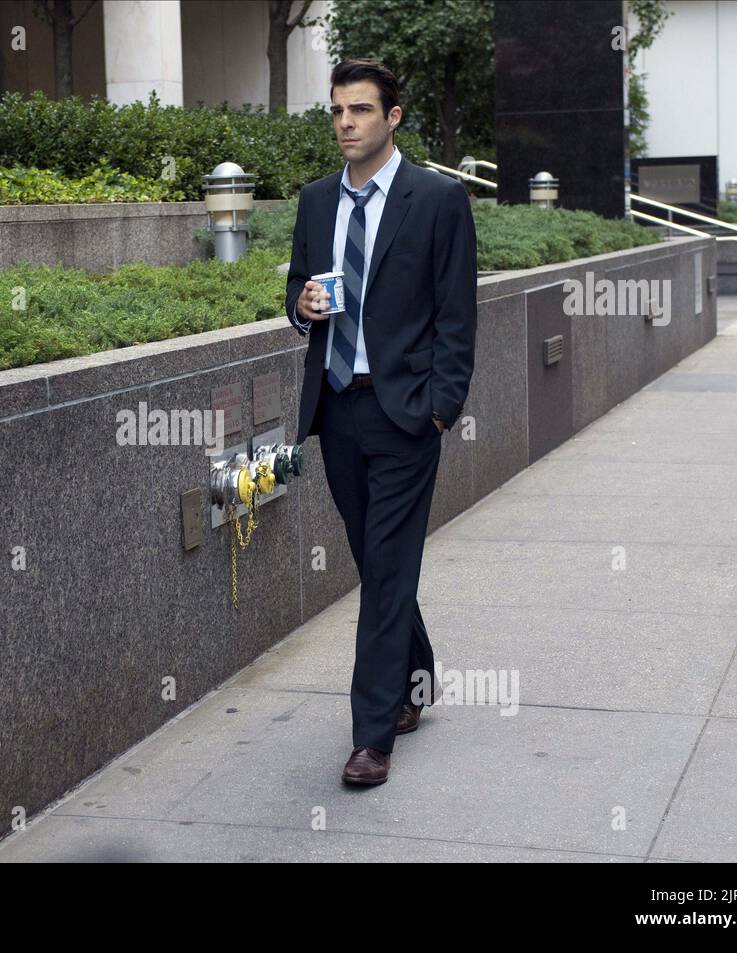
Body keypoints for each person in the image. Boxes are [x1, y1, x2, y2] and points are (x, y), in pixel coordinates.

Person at [285, 58, 477, 786]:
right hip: (335, 408)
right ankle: (418, 672)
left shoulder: (437, 200)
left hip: (405, 414)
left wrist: (439, 409)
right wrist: (300, 307)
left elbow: (458, 316)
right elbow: (298, 287)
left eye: (360, 110)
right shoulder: (313, 202)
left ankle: (373, 736)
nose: (344, 123)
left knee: (389, 567)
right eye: (336, 110)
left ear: (392, 117)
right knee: (378, 561)